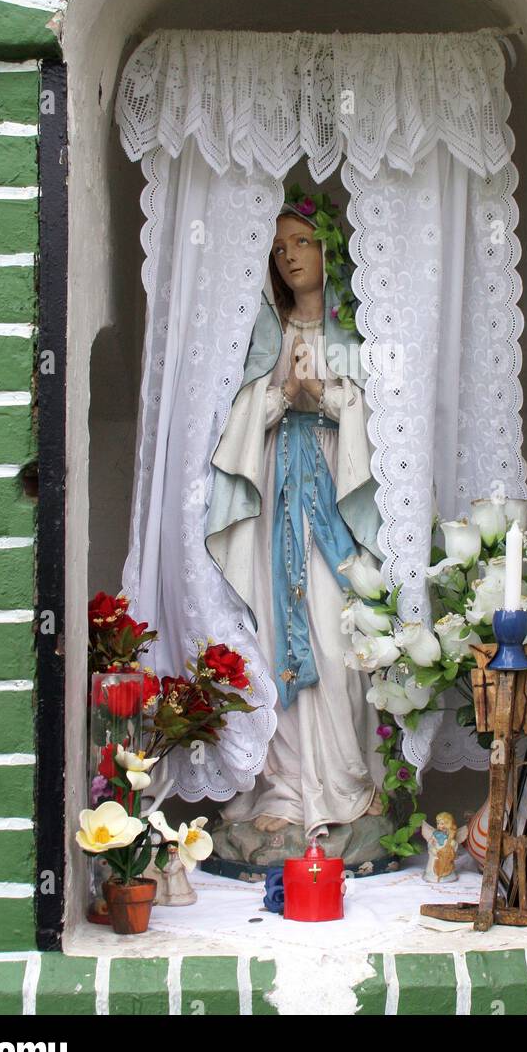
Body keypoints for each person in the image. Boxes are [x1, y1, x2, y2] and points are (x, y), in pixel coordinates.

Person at [206, 191, 384, 842]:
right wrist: (282, 397)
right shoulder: (268, 339)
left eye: (300, 243)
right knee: (280, 644)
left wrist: (331, 399)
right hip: (279, 516)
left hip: (337, 511)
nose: (289, 258)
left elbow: (384, 418)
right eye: (278, 250)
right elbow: (239, 421)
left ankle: (348, 781)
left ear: (328, 249)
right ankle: (282, 786)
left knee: (339, 646)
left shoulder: (358, 335)